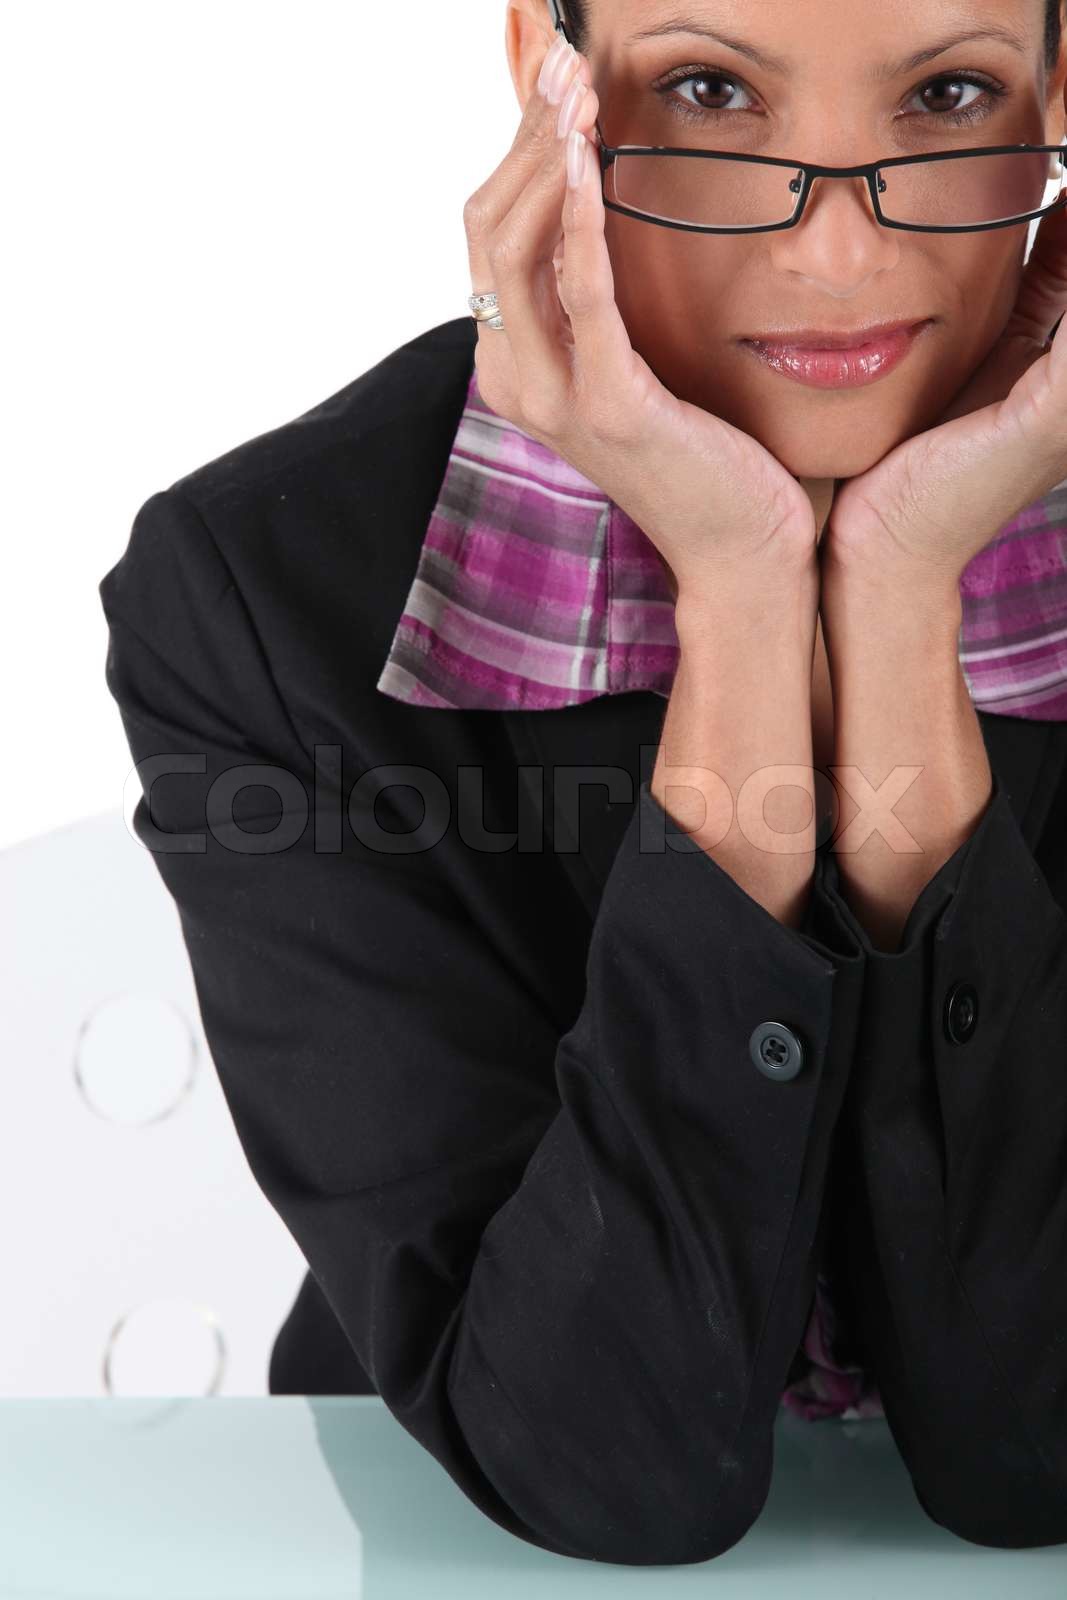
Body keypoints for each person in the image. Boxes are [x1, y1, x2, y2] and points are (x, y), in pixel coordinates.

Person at [98, 0, 1067, 1567]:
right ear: (552, 86)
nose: (835, 256)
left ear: (1055, 95)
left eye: (948, 94)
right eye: (710, 89)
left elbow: (1041, 1459)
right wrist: (745, 596)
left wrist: (900, 601)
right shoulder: (260, 596)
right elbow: (603, 1470)